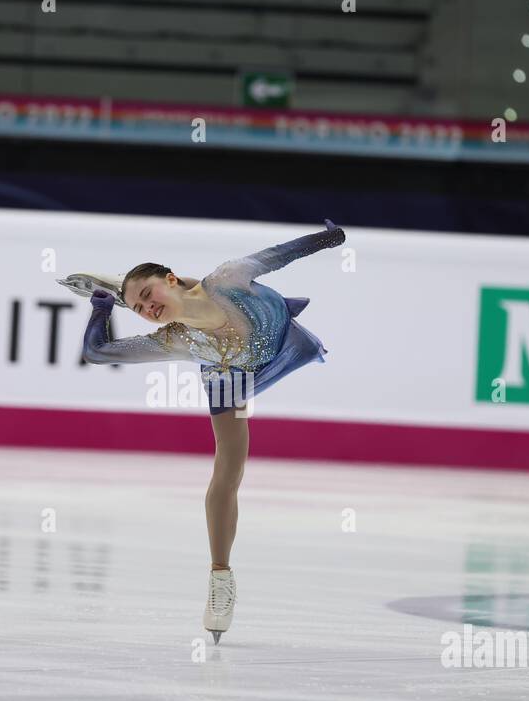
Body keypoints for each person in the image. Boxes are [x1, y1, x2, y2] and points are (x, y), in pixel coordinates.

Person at [61, 220, 345, 641]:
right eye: (138, 308)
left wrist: (332, 238)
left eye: (147, 296)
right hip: (229, 370)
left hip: (279, 334)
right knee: (228, 473)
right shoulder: (178, 340)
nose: (147, 310)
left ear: (170, 278)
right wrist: (101, 310)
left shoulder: (230, 278)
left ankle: (125, 283)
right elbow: (97, 352)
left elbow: (283, 253)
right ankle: (220, 579)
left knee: (204, 291)